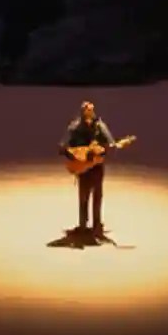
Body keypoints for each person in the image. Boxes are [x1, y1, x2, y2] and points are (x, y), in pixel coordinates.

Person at [58, 100, 116, 235]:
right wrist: (74, 156)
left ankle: (96, 224)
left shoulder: (99, 126)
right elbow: (63, 144)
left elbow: (110, 143)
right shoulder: (75, 126)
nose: (89, 113)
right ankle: (83, 224)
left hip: (96, 165)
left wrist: (101, 151)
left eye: (91, 110)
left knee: (97, 195)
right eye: (86, 111)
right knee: (83, 195)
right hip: (83, 166)